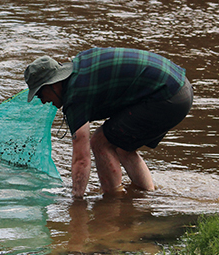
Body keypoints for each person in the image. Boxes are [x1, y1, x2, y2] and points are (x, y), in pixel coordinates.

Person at [24, 47, 192, 198]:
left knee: (100, 142)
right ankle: (147, 197)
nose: (43, 101)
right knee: (123, 147)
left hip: (167, 95)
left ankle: (113, 201)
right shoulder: (80, 68)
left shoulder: (75, 96)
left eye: (40, 94)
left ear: (52, 85)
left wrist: (76, 200)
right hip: (180, 87)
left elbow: (81, 159)